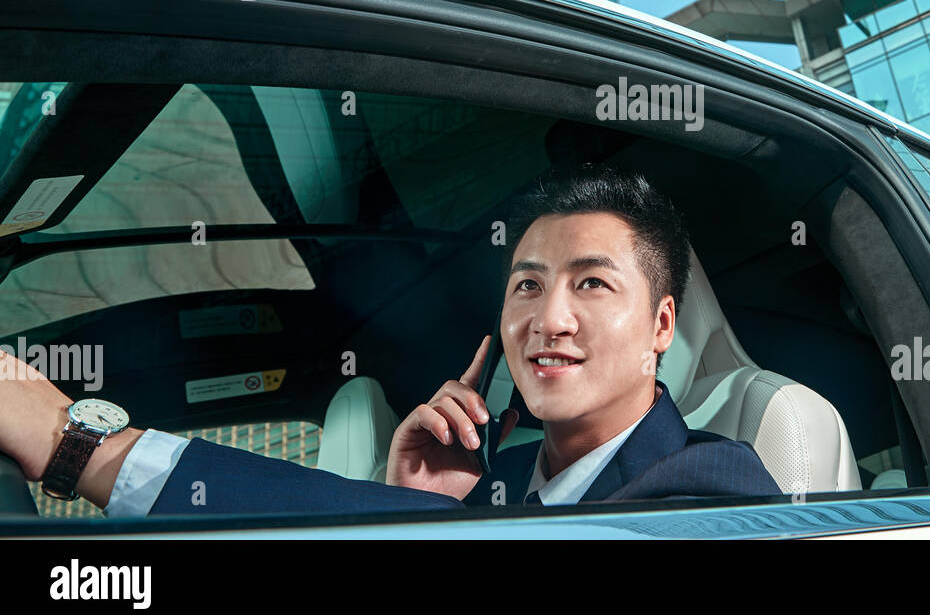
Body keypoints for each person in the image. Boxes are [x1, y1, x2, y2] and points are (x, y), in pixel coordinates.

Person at [0, 166, 781, 514]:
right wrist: (405, 503)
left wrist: (86, 450)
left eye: (592, 283)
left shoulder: (714, 479)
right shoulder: (496, 478)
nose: (549, 319)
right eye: (527, 285)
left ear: (661, 328)